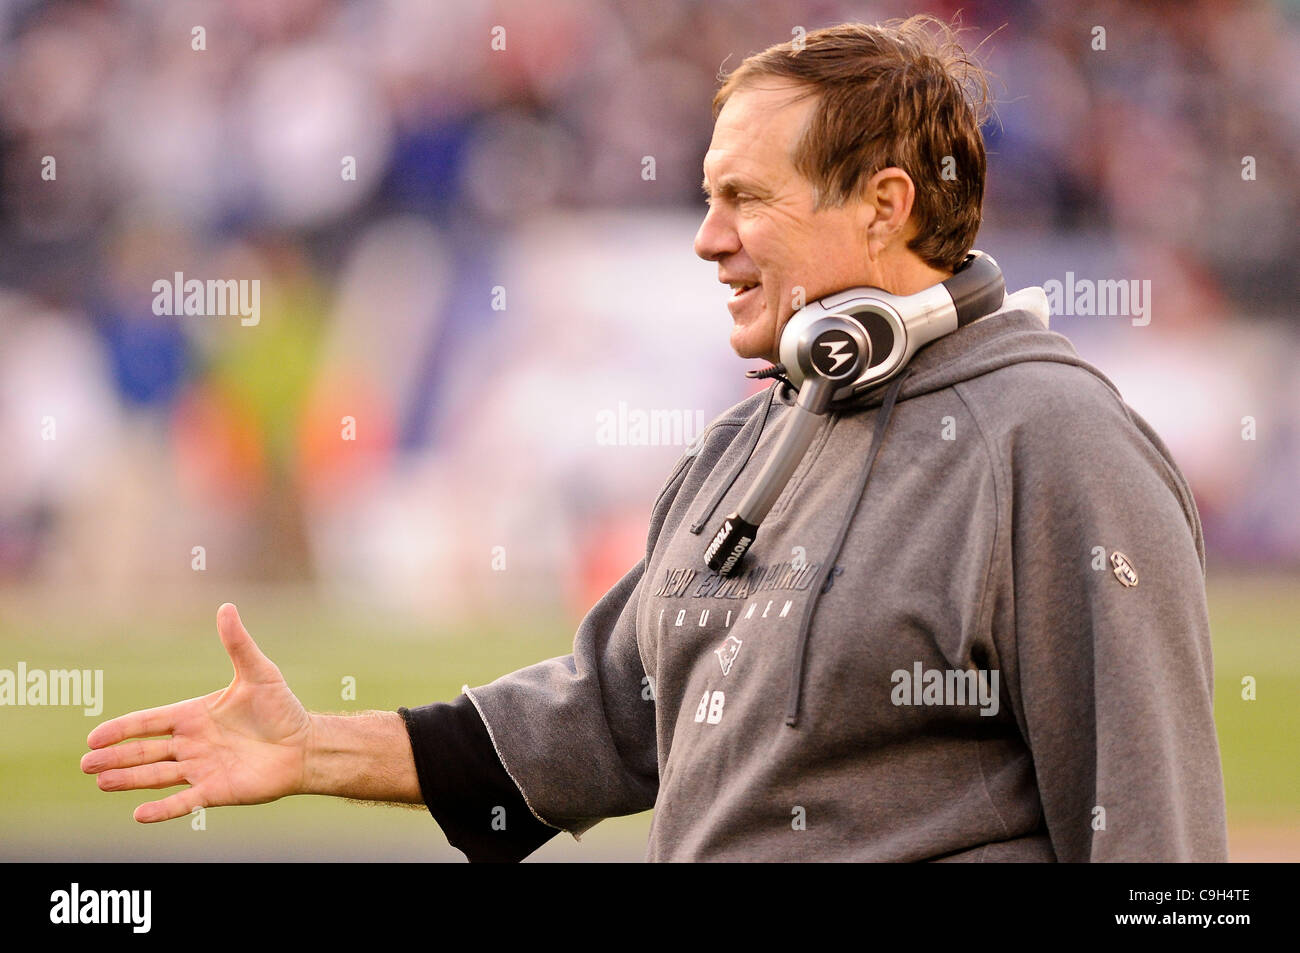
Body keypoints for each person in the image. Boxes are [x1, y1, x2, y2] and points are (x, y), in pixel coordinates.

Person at [81, 17, 1229, 862]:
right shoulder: (751, 439)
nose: (706, 239)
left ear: (884, 204)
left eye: (744, 199)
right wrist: (313, 748)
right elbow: (598, 719)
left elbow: (1152, 840)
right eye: (704, 195)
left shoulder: (1061, 442)